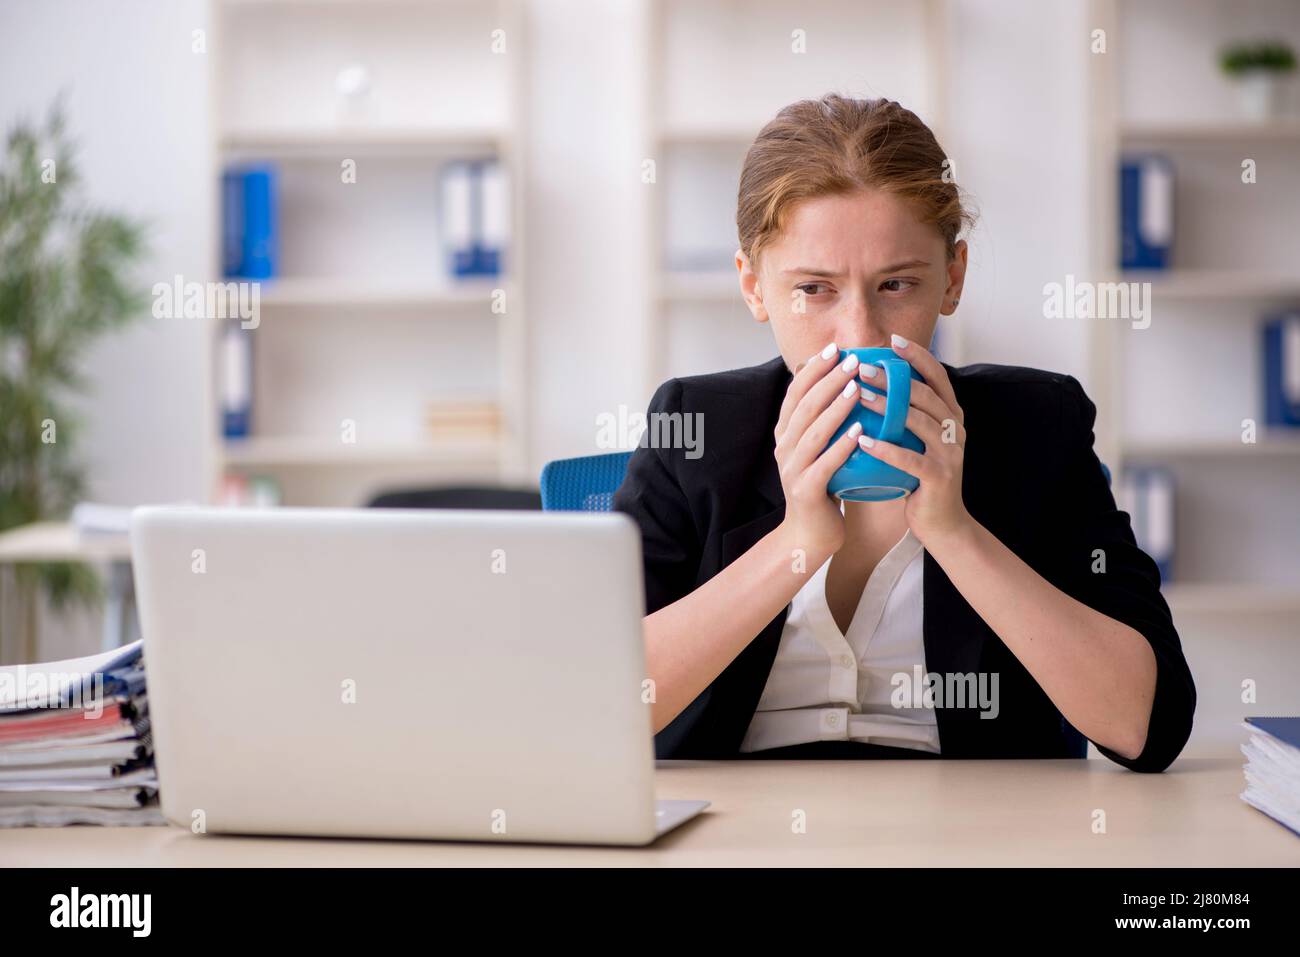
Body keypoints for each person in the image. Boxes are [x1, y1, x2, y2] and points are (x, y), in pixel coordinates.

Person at [612, 94, 1195, 772]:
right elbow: (597, 705)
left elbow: (1144, 725)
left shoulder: (1038, 426)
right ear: (753, 285)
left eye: (896, 284)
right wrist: (798, 543)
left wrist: (953, 530)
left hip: (972, 829)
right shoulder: (697, 428)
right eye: (814, 289)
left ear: (952, 278)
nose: (859, 334)